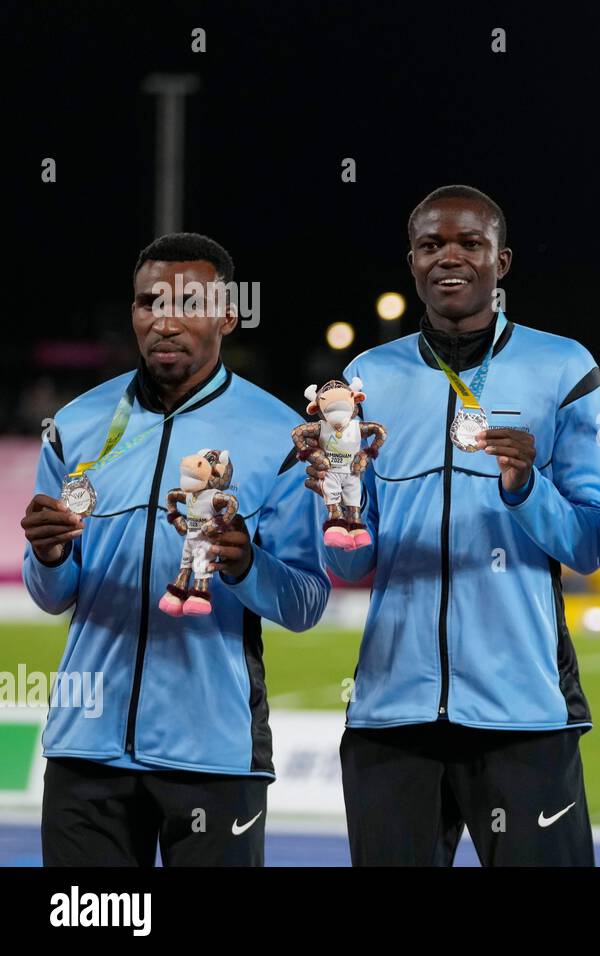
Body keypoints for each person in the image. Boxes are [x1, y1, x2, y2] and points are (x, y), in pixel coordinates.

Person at [317, 185, 600, 866]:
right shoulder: (366, 378)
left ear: (501, 261)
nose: (450, 257)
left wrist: (525, 487)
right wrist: (338, 499)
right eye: (431, 245)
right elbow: (350, 568)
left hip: (525, 716)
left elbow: (591, 544)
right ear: (412, 262)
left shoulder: (563, 367)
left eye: (469, 243)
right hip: (393, 718)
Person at [22, 232, 329, 866]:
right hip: (87, 753)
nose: (164, 319)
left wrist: (245, 565)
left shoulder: (281, 436)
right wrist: (49, 559)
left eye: (188, 302)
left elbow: (306, 601)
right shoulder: (76, 423)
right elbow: (52, 596)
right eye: (147, 303)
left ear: (228, 314)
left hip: (213, 756)